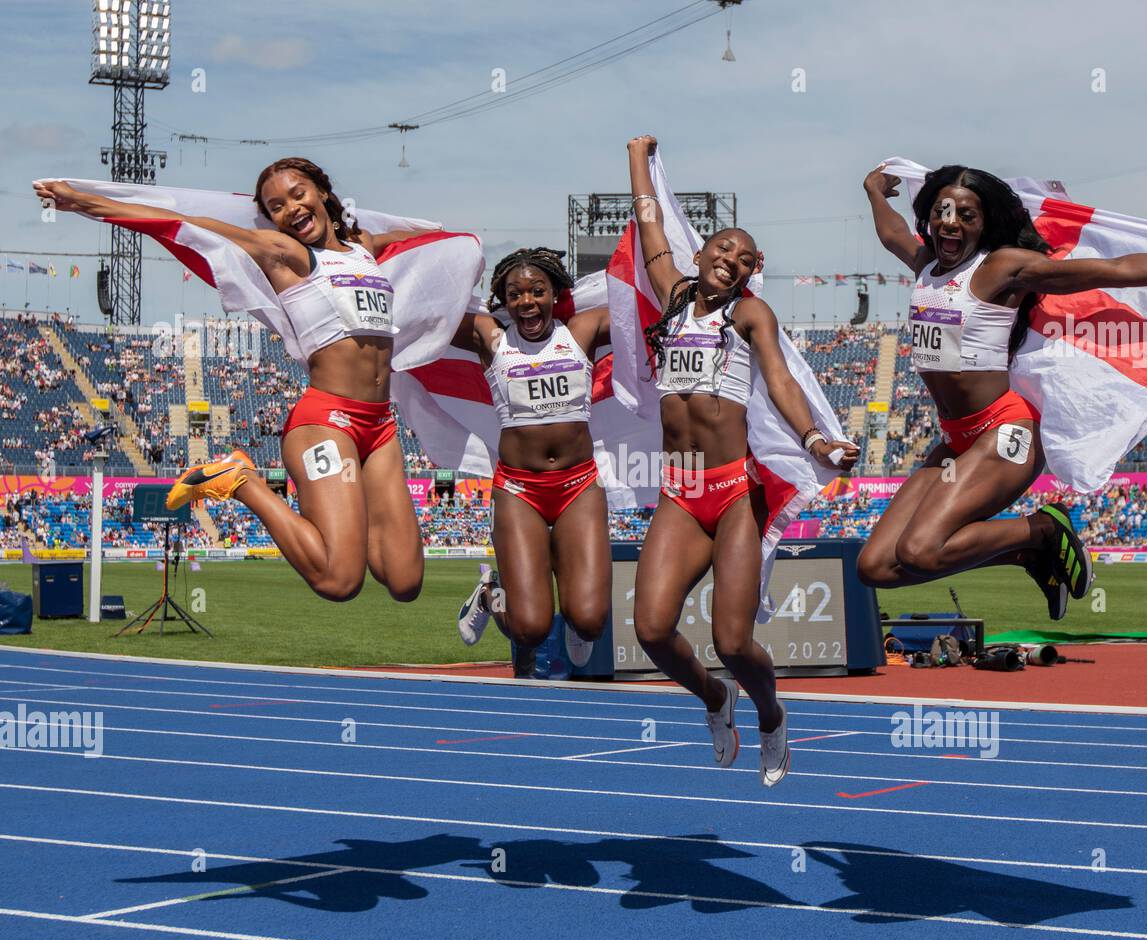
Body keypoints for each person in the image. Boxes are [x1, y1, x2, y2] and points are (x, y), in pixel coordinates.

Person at [855, 164, 1147, 619]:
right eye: (942, 211)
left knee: (919, 551)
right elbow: (892, 232)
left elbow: (1116, 270)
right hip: (956, 440)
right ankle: (1028, 553)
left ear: (986, 223)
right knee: (876, 567)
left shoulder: (1000, 267)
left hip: (1005, 433)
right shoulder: (926, 266)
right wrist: (874, 191)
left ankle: (1043, 531)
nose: (951, 222)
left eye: (967, 215)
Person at [35, 158, 437, 603]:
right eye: (276, 206)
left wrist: (459, 242)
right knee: (338, 581)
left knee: (404, 581)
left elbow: (425, 248)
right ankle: (241, 478)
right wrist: (86, 202)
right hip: (327, 423)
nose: (291, 209)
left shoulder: (364, 248)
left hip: (380, 427)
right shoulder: (285, 255)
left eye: (298, 193)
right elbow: (183, 221)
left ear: (323, 191)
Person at [625, 135, 859, 787]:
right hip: (680, 494)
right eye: (724, 247)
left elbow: (781, 382)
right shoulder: (672, 296)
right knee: (650, 629)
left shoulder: (748, 314)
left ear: (751, 273)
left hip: (732, 494)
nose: (732, 259)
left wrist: (815, 439)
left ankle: (772, 715)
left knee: (732, 641)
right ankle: (712, 699)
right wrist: (638, 155)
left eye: (745, 257)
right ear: (701, 253)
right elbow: (649, 225)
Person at [453, 248, 612, 676]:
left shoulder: (583, 330)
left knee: (591, 620)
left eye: (537, 291)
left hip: (578, 485)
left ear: (555, 293)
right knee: (529, 628)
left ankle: (580, 619)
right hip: (519, 489)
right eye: (515, 293)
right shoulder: (492, 338)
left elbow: (650, 312)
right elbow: (426, 315)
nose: (527, 301)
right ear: (502, 301)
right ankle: (490, 594)